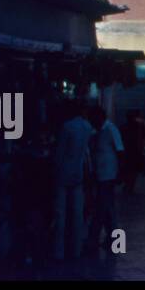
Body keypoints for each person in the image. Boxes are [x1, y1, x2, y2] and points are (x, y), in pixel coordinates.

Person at [52, 101, 94, 260]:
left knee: (60, 213)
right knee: (77, 213)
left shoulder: (67, 126)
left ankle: (59, 251)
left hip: (63, 172)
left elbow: (60, 152)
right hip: (78, 173)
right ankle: (76, 249)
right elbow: (86, 153)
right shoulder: (87, 127)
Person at [88, 106, 124, 252]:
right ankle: (113, 238)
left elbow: (120, 151)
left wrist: (120, 173)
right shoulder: (96, 132)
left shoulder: (110, 129)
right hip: (100, 174)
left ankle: (95, 238)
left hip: (109, 175)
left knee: (102, 208)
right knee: (107, 208)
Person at [120, 110, 145, 195]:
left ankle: (128, 185)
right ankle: (129, 186)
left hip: (129, 151)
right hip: (134, 151)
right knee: (133, 170)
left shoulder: (124, 127)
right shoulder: (139, 127)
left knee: (129, 170)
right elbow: (143, 137)